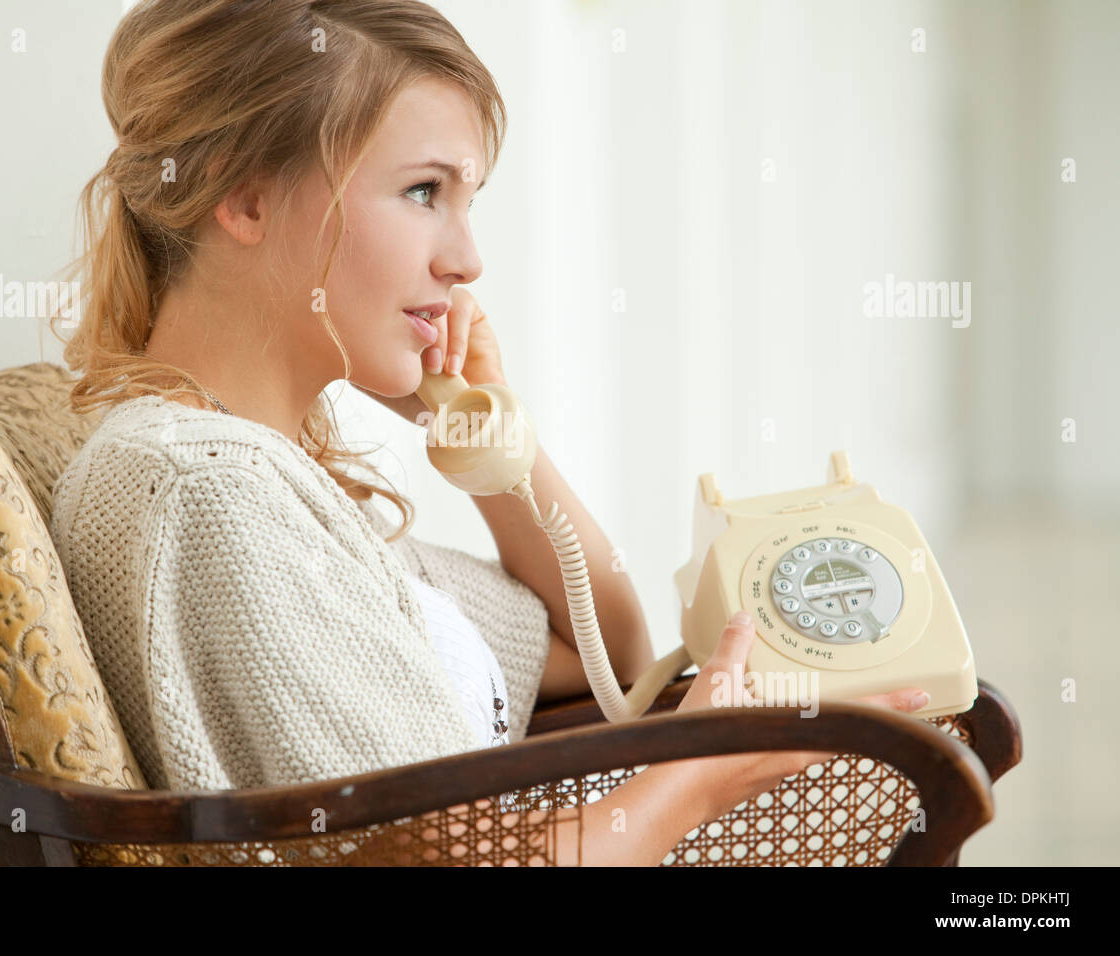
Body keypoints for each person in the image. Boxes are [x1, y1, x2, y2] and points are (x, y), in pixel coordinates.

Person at [49, 0, 929, 866]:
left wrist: (492, 438)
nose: (467, 260)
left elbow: (605, 657)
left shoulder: (278, 484)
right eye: (424, 191)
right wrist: (699, 778)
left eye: (465, 201)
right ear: (245, 200)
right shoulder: (204, 494)